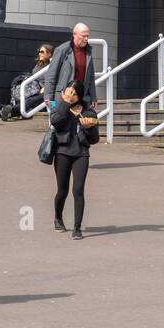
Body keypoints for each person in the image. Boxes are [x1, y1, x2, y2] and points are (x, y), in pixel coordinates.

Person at [49, 81, 100, 240]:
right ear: (64, 92)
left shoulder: (88, 112)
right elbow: (56, 122)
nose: (71, 96)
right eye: (68, 92)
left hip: (81, 153)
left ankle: (77, 228)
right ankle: (58, 218)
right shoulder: (59, 107)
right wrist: (65, 103)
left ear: (80, 96)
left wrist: (88, 127)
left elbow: (94, 139)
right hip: (62, 152)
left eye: (75, 94)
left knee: (78, 191)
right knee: (62, 190)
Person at [44, 23, 97, 112]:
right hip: (63, 97)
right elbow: (51, 75)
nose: (86, 39)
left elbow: (91, 76)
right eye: (83, 36)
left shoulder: (88, 51)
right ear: (74, 34)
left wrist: (93, 97)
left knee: (85, 124)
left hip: (82, 99)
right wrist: (49, 97)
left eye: (88, 36)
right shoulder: (62, 50)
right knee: (59, 123)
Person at [0, 43, 53, 120]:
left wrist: (47, 87)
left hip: (53, 99)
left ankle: (9, 110)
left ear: (49, 54)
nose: (39, 54)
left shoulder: (53, 66)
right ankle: (10, 112)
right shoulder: (37, 67)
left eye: (42, 52)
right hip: (38, 92)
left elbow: (58, 80)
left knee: (35, 98)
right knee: (28, 95)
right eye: (39, 52)